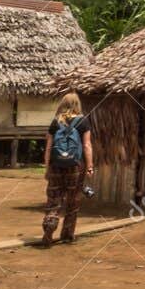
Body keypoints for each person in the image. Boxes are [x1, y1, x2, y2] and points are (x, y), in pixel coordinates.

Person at [42, 92, 94, 246]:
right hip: (75, 167)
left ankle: (49, 228)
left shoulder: (55, 122)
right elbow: (86, 145)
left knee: (53, 200)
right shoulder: (82, 121)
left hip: (56, 166)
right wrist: (90, 166)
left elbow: (49, 147)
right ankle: (67, 234)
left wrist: (47, 167)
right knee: (73, 200)